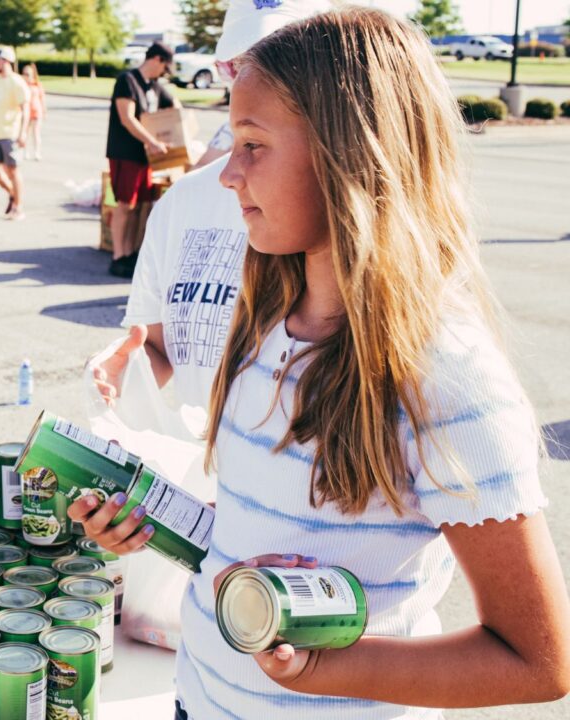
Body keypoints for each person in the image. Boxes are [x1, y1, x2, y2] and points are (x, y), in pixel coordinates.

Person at [73, 8, 570, 719]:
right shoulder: (261, 321)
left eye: (253, 145)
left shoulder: (446, 375)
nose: (227, 174)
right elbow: (255, 529)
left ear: (349, 156)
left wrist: (324, 669)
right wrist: (153, 524)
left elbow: (538, 660)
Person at [91, 0, 328, 420]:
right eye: (246, 63)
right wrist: (122, 371)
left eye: (287, 61)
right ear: (229, 71)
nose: (266, 79)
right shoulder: (182, 202)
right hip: (199, 459)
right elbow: (158, 344)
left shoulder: (344, 220)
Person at [105, 42, 177, 278]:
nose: (164, 73)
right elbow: (127, 118)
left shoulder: (154, 86)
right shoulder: (127, 81)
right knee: (126, 205)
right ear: (156, 59)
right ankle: (118, 256)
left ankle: (131, 252)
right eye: (164, 67)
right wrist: (152, 141)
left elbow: (174, 106)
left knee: (141, 206)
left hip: (146, 157)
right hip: (125, 153)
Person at [0, 46, 29, 220]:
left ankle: (18, 206)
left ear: (6, 61)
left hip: (11, 132)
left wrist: (23, 133)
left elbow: (25, 109)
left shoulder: (17, 82)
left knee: (13, 170)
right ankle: (11, 192)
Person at [22, 63, 45, 160]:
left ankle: (37, 152)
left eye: (28, 74)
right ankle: (25, 152)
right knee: (26, 133)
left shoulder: (37, 84)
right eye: (24, 74)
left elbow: (42, 98)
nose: (26, 76)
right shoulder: (22, 85)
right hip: (26, 112)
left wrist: (44, 111)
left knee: (36, 133)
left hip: (36, 111)